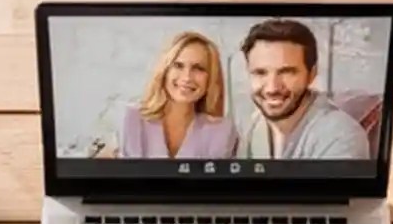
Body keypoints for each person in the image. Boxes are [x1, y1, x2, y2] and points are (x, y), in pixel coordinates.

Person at [236, 19, 370, 160]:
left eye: (286, 72)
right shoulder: (253, 126)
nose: (272, 88)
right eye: (260, 73)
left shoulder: (341, 135)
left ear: (311, 74)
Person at [117, 31, 239, 159]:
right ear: (165, 71)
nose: (187, 77)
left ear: (211, 78)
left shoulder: (222, 131)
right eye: (178, 65)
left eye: (198, 68)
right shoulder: (133, 119)